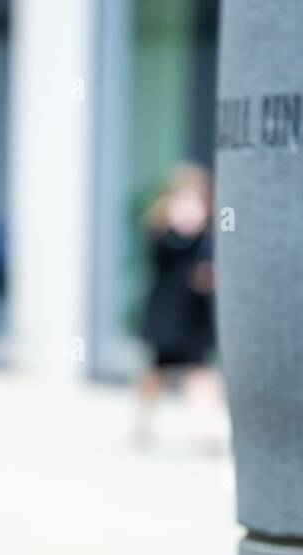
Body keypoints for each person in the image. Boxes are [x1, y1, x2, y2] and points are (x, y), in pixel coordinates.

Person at [136, 162, 220, 448]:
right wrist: (180, 231)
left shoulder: (208, 238)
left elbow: (209, 270)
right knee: (157, 370)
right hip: (166, 315)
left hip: (193, 316)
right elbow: (159, 256)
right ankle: (143, 422)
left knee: (199, 372)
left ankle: (206, 430)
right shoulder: (161, 234)